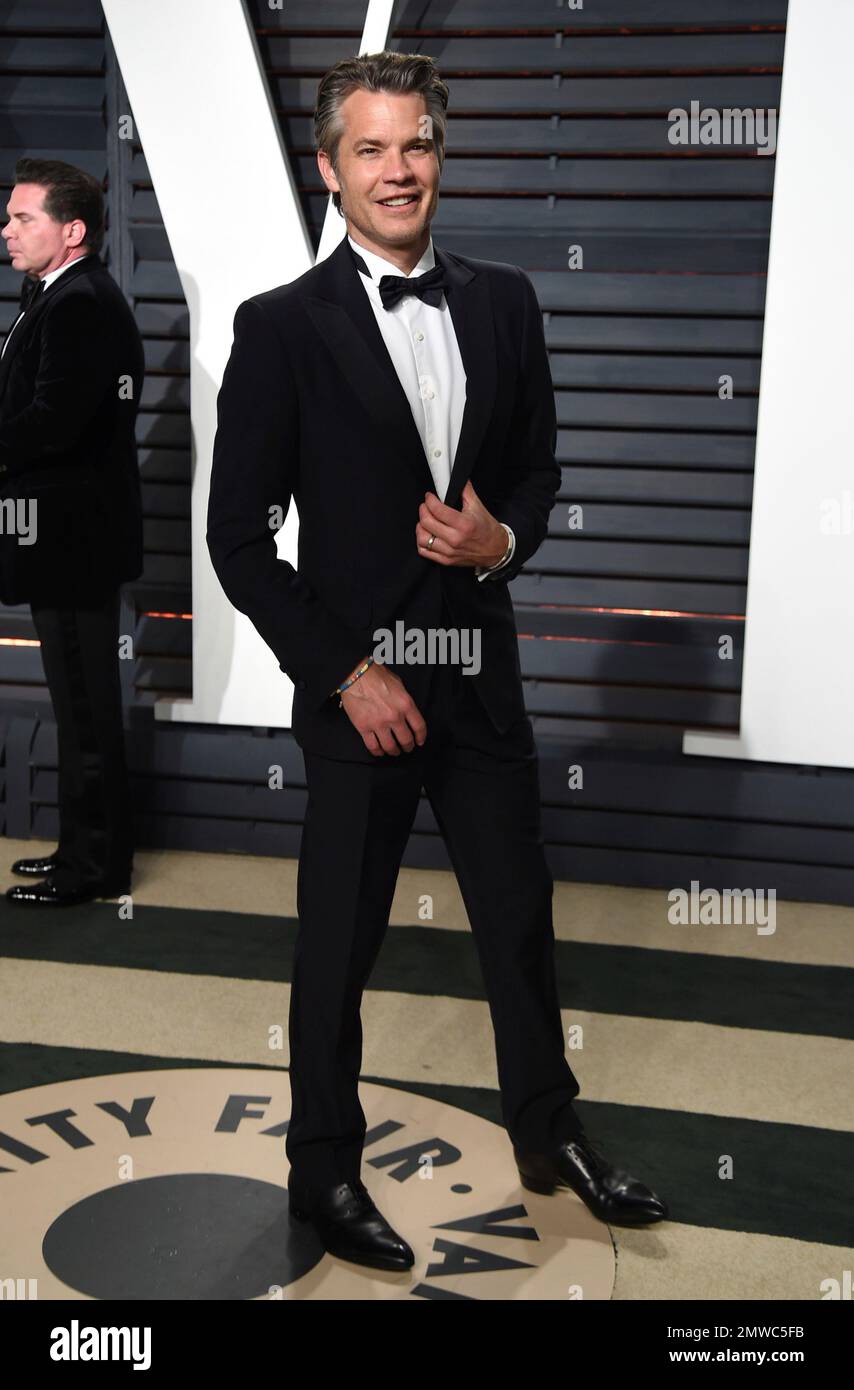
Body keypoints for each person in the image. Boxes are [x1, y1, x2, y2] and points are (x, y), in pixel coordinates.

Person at [207, 51, 667, 1273]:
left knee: (518, 919)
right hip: (362, 693)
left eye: (414, 144)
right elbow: (235, 540)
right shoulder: (279, 327)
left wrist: (499, 537)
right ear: (330, 168)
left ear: (437, 157)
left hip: (477, 673)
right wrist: (345, 672)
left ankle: (545, 1131)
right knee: (337, 942)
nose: (396, 169)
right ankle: (321, 1169)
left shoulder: (508, 301)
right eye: (370, 148)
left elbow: (535, 473)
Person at [0, 159, 144, 907]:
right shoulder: (59, 296)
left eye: (24, 218)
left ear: (72, 230)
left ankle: (97, 869)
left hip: (75, 544)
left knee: (86, 708)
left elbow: (54, 424)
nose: (8, 230)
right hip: (60, 543)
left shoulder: (82, 303)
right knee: (75, 706)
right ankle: (77, 851)